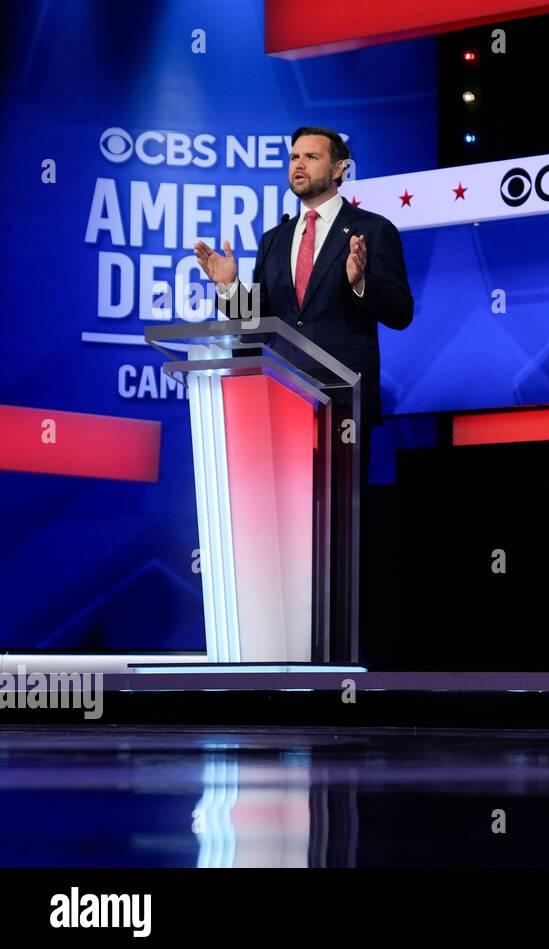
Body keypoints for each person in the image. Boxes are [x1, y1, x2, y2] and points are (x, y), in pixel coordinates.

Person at [194, 126, 414, 663]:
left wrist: (361, 283)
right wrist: (229, 288)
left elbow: (401, 312)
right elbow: (258, 325)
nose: (298, 165)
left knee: (339, 536)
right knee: (287, 538)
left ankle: (342, 660)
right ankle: (287, 654)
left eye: (311, 157)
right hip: (281, 406)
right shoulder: (274, 239)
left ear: (339, 168)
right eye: (293, 157)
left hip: (342, 406)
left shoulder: (372, 231)